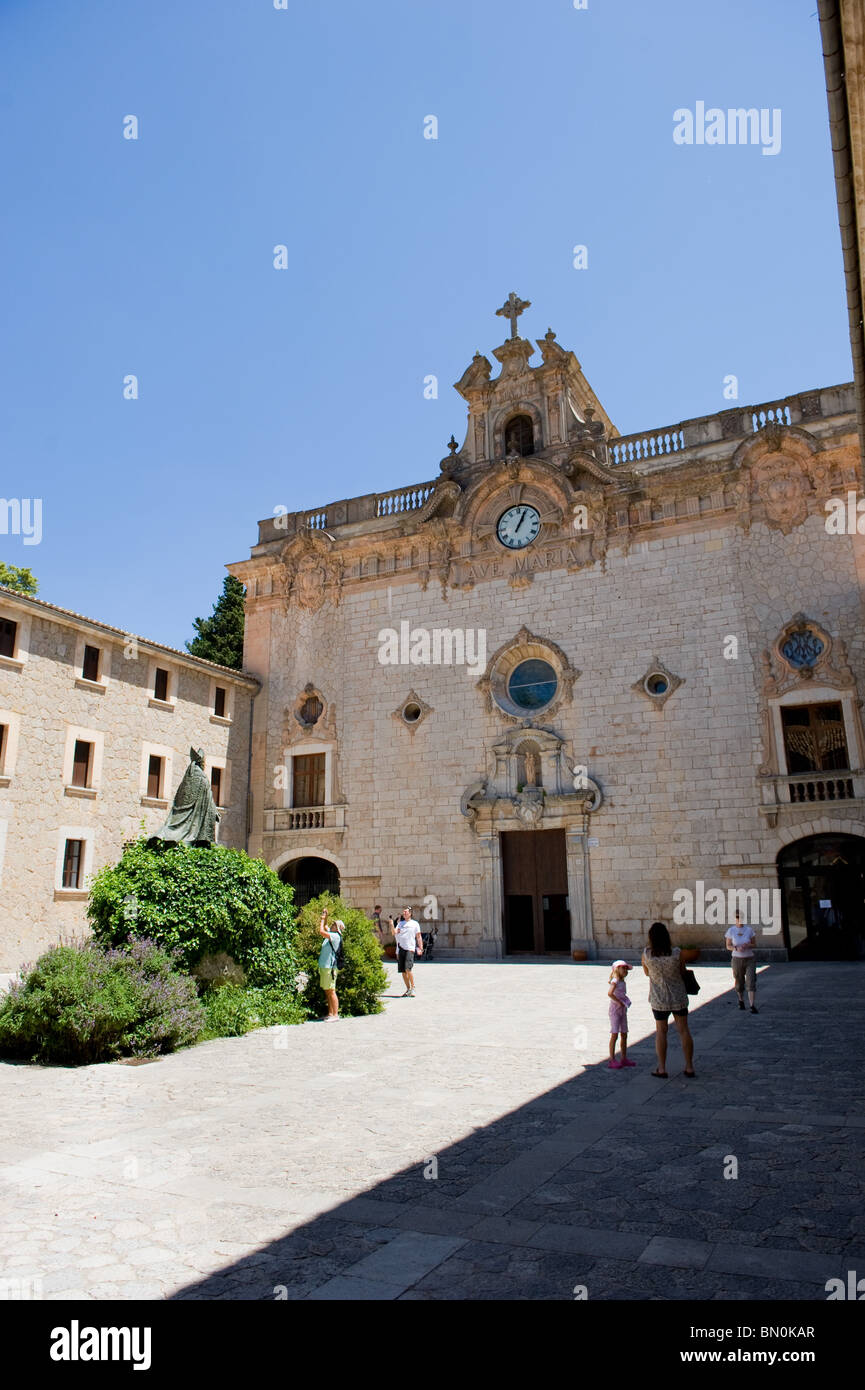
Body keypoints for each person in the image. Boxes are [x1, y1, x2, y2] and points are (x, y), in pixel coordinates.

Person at [642, 921, 695, 1078]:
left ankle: (662, 1067)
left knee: (661, 1031)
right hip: (678, 996)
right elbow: (682, 971)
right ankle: (689, 1066)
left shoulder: (647, 954)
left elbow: (647, 973)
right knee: (684, 1030)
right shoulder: (677, 953)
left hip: (659, 998)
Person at [725, 909, 758, 1013]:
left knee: (751, 980)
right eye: (737, 917)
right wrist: (736, 948)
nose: (740, 919)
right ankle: (741, 1000)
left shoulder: (749, 930)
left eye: (741, 917)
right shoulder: (731, 930)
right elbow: (728, 946)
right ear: (735, 919)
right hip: (737, 959)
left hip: (749, 958)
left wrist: (748, 945)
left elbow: (754, 944)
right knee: (739, 981)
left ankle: (752, 1005)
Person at [317, 908, 344, 1020]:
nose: (332, 925)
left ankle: (335, 1014)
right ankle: (330, 1013)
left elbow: (321, 931)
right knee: (327, 991)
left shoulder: (335, 936)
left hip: (330, 967)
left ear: (337, 928)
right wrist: (326, 915)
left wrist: (322, 919)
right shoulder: (332, 934)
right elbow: (325, 927)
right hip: (324, 966)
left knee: (331, 991)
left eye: (334, 924)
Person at [607, 960, 635, 1069]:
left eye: (626, 968)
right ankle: (612, 1059)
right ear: (617, 969)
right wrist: (618, 1001)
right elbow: (609, 993)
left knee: (624, 1033)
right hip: (615, 1009)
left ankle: (623, 1058)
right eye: (623, 968)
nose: (625, 970)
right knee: (615, 1034)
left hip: (622, 1009)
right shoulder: (615, 981)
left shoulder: (622, 981)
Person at [393, 907, 423, 997]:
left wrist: (420, 948)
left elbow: (418, 937)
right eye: (403, 912)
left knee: (408, 969)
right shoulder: (400, 924)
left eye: (406, 912)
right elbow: (394, 932)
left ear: (410, 913)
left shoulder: (415, 924)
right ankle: (408, 989)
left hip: (409, 949)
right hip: (401, 949)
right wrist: (391, 924)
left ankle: (413, 987)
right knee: (403, 971)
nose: (404, 913)